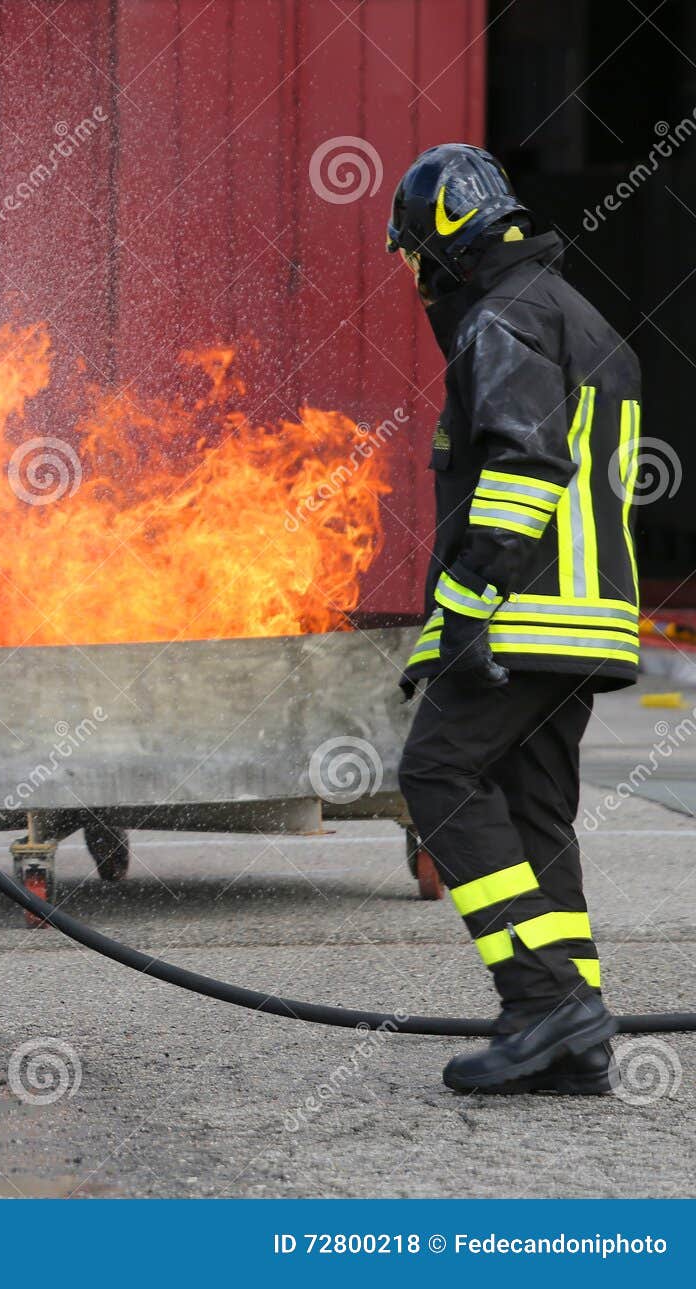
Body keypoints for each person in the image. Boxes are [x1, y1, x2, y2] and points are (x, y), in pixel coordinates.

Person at [389, 144, 641, 1094]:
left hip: (527, 613)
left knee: (439, 771)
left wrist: (462, 610)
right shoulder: (580, 316)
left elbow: (526, 468)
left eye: (416, 255)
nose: (417, 279)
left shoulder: (503, 318)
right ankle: (575, 1033)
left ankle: (538, 1001)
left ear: (445, 241)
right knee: (538, 812)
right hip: (590, 625)